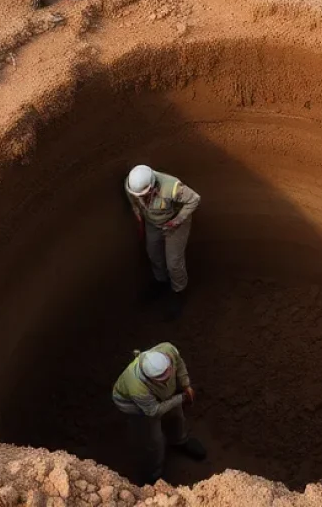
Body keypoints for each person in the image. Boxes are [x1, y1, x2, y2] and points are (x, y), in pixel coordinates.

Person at [111, 343, 206, 484]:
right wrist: (181, 398)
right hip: (134, 406)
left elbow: (179, 364)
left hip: (163, 394)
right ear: (149, 378)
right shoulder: (137, 386)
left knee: (177, 417)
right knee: (153, 439)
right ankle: (153, 474)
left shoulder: (167, 350)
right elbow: (154, 411)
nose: (168, 377)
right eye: (162, 378)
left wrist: (186, 385)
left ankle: (180, 442)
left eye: (169, 372)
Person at [126, 165, 201, 316]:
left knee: (173, 262)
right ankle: (160, 282)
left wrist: (177, 220)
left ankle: (178, 291)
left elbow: (194, 199)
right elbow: (134, 202)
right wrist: (139, 218)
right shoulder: (130, 185)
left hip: (173, 223)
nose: (141, 197)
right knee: (153, 253)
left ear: (153, 185)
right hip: (153, 222)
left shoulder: (171, 187)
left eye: (145, 194)